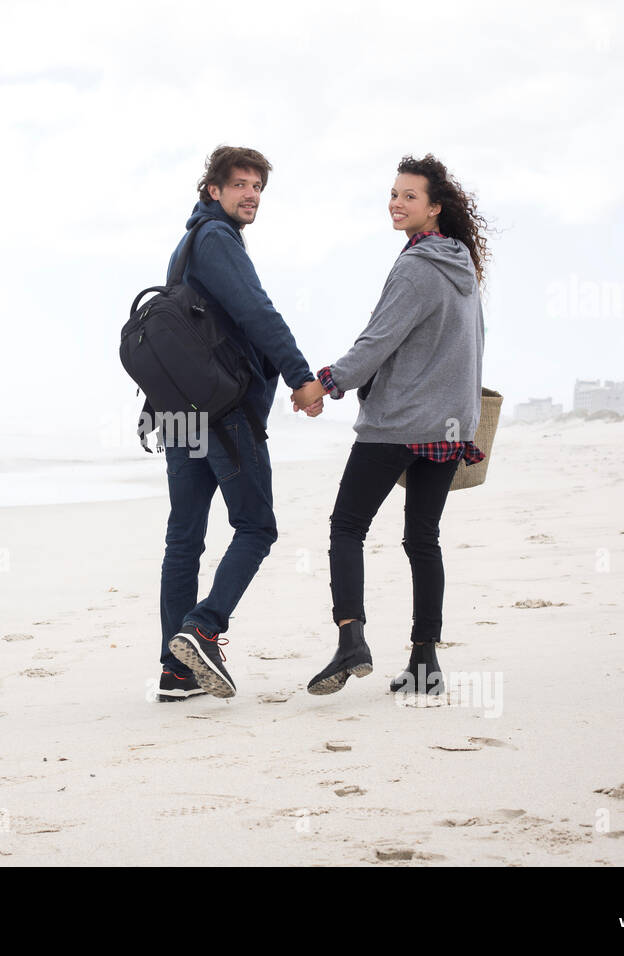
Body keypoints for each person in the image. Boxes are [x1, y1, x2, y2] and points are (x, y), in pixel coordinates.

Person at [300, 153, 489, 697]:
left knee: (346, 528)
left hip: (399, 424)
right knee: (422, 539)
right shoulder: (463, 268)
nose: (397, 203)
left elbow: (377, 342)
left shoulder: (415, 267)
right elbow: (472, 349)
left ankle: (351, 639)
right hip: (449, 428)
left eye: (410, 196)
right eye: (394, 194)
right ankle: (424, 663)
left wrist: (325, 384)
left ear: (435, 207)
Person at [157, 146, 326, 702]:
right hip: (222, 413)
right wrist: (300, 376)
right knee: (256, 526)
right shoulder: (216, 241)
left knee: (184, 539)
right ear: (214, 190)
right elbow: (259, 313)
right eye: (240, 185)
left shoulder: (186, 248)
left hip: (176, 412)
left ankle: (176, 673)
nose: (251, 195)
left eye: (257, 187)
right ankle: (203, 630)